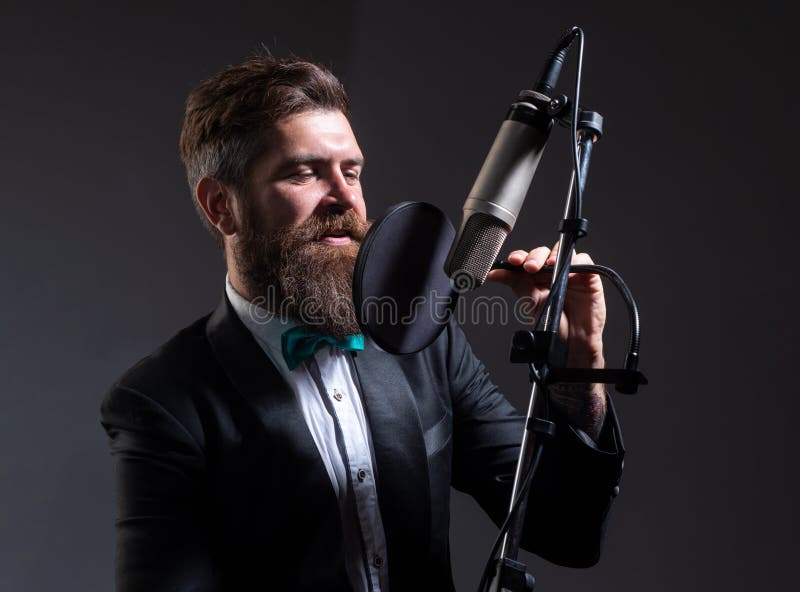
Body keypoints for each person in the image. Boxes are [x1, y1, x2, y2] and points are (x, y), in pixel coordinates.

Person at [100, 55, 624, 592]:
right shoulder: (161, 402)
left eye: (351, 172)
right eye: (304, 173)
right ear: (221, 206)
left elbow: (567, 531)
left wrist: (581, 357)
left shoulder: (425, 343)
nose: (345, 197)